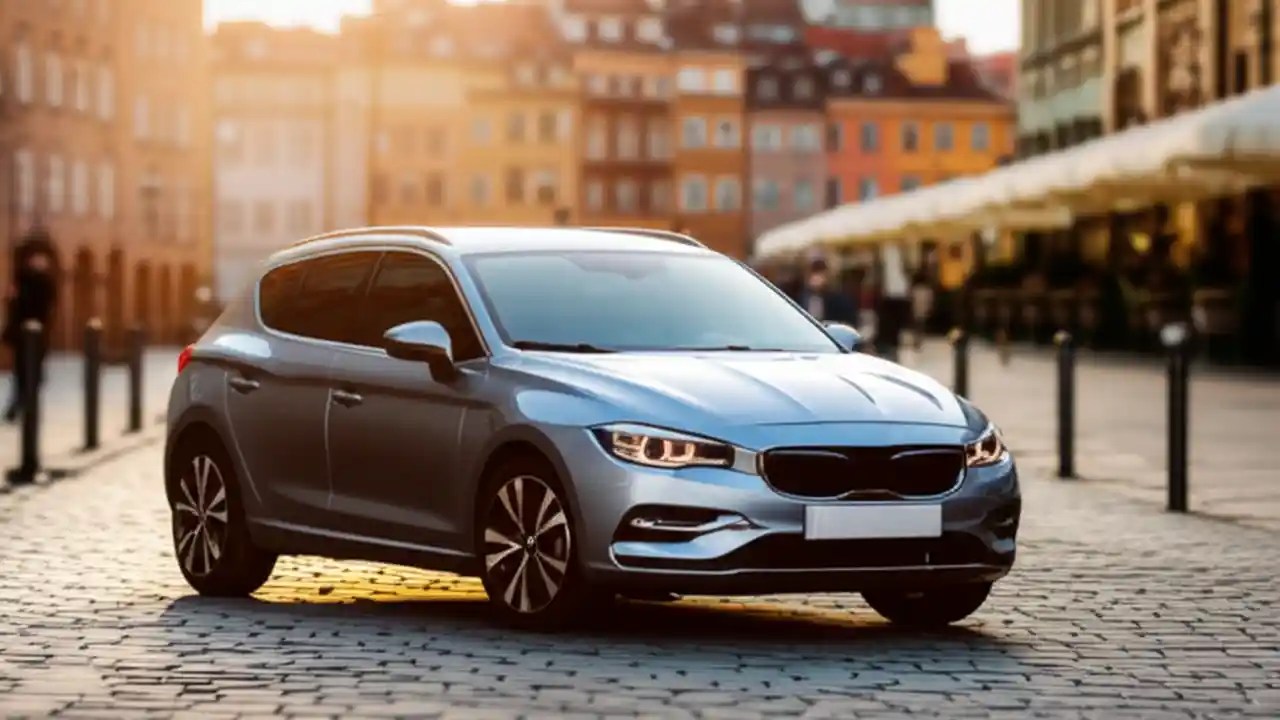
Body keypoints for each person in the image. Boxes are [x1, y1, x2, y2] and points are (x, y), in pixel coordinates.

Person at [3, 246, 58, 422]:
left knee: (33, 371)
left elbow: (49, 308)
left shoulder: (46, 283)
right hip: (26, 333)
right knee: (22, 371)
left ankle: (24, 405)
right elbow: (13, 303)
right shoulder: (23, 279)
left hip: (36, 334)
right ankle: (20, 404)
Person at [793, 258, 856, 325]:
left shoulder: (840, 301)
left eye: (820, 275)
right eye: (813, 274)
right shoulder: (799, 299)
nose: (816, 279)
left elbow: (847, 322)